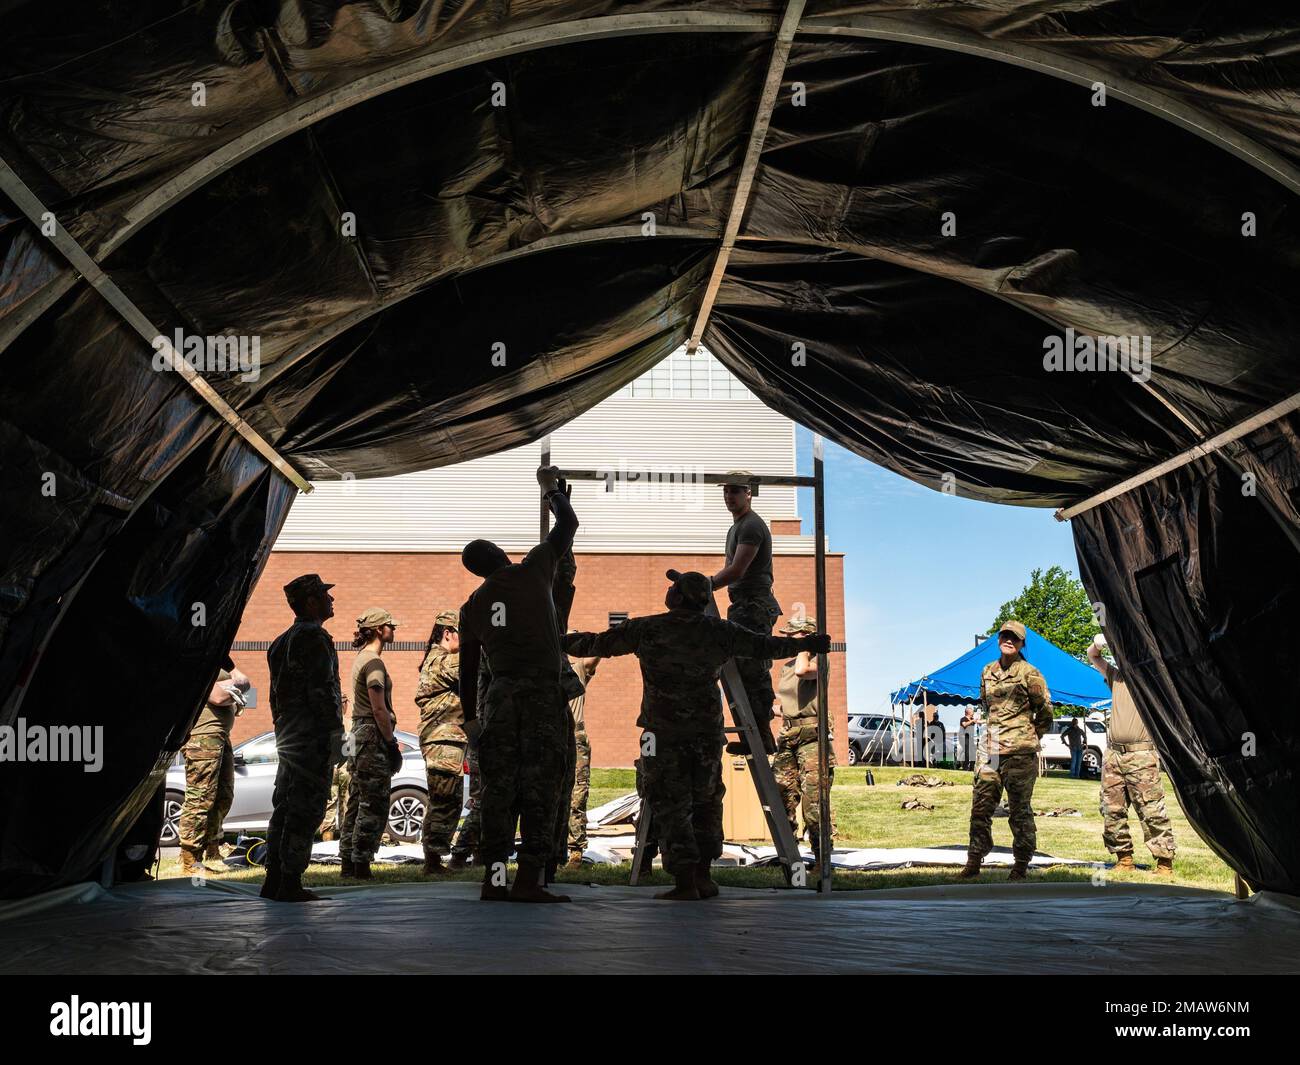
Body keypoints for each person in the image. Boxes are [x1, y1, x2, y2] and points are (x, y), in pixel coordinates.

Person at [565, 570, 830, 901]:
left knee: (671, 803)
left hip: (663, 733)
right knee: (707, 800)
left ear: (677, 596)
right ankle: (704, 876)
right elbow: (765, 646)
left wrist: (552, 638)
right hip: (706, 731)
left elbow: (595, 643)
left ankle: (686, 882)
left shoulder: (649, 628)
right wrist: (806, 643)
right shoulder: (719, 631)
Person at [459, 466, 578, 903]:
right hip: (541, 692)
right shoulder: (534, 569)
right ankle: (528, 879)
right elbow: (568, 525)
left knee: (499, 789)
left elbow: (467, 667)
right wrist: (551, 491)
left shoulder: (472, 605)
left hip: (500, 697)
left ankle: (493, 880)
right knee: (541, 784)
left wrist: (472, 719)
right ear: (498, 553)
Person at [263, 573, 344, 902]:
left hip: (289, 733)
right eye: (325, 595)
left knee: (283, 805)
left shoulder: (280, 641)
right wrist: (336, 735)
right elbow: (322, 691)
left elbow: (273, 697)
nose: (331, 600)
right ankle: (290, 882)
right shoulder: (315, 637)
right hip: (311, 736)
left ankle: (274, 878)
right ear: (311, 602)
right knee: (306, 807)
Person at [960, 620, 1053, 881]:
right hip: (991, 749)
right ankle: (974, 860)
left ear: (1022, 643)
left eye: (1014, 637)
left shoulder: (1030, 673)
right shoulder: (987, 671)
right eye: (1004, 636)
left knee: (1018, 808)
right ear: (998, 639)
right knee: (981, 806)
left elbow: (1045, 712)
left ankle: (1020, 865)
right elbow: (987, 706)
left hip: (1019, 752)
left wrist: (1029, 735)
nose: (1008, 640)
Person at [1087, 637, 1176, 875]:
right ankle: (1124, 859)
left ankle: (1164, 863)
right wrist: (1099, 644)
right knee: (1112, 810)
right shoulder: (1116, 677)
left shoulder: (1152, 679)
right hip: (1113, 754)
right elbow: (1092, 657)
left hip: (1142, 754)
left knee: (1151, 809)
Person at [709, 471, 781, 754]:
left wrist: (707, 584)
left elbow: (738, 570)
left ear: (749, 493)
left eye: (735, 491)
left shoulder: (751, 526)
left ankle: (762, 737)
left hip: (753, 605)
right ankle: (754, 736)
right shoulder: (737, 526)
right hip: (743, 604)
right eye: (726, 491)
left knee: (753, 669)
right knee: (740, 667)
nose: (729, 496)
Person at [339, 608, 402, 881]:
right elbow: (379, 710)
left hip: (357, 735)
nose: (394, 630)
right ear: (379, 629)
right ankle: (361, 865)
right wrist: (391, 744)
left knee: (356, 799)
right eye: (391, 626)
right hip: (371, 736)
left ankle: (348, 862)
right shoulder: (374, 663)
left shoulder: (360, 658)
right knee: (373, 801)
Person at [771, 617, 836, 870]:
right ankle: (789, 857)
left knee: (814, 802)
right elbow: (789, 705)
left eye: (793, 636)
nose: (788, 640)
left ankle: (822, 859)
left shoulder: (820, 662)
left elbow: (803, 671)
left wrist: (806, 648)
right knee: (782, 796)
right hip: (789, 737)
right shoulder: (787, 666)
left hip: (812, 738)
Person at [178, 656, 250, 876]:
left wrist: (236, 687)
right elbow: (218, 697)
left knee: (223, 795)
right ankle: (190, 860)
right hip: (203, 737)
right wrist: (237, 687)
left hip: (221, 735)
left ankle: (211, 848)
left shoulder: (221, 658)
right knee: (201, 797)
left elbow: (246, 684)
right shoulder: (199, 656)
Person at [415, 610, 466, 876]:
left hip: (447, 738)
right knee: (444, 798)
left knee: (448, 798)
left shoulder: (439, 660)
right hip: (442, 739)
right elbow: (473, 663)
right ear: (447, 633)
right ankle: (432, 862)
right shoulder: (441, 661)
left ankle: (434, 859)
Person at [564, 638, 601, 868]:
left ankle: (575, 851)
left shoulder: (577, 669)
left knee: (576, 796)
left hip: (575, 736)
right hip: (552, 734)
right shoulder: (547, 669)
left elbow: (596, 655)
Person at [318, 695, 350, 840]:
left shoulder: (326, 724)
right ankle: (345, 843)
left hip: (330, 767)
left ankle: (327, 843)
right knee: (347, 804)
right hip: (346, 768)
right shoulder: (350, 724)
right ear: (344, 705)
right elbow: (352, 749)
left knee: (329, 807)